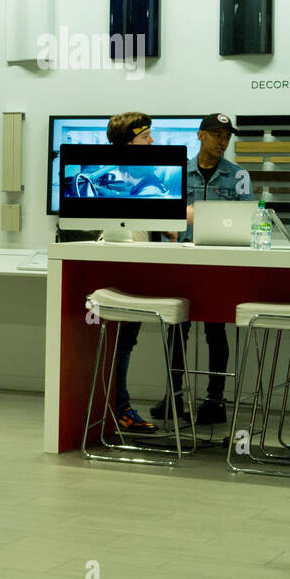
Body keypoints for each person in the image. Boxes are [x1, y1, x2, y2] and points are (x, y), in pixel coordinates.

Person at [150, 113, 254, 425]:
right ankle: (175, 396)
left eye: (227, 136)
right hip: (181, 260)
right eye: (217, 135)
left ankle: (214, 399)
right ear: (200, 135)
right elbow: (161, 211)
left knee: (216, 329)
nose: (223, 141)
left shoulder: (239, 176)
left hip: (220, 263)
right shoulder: (177, 172)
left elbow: (248, 221)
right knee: (176, 328)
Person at [102, 112, 180, 435]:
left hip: (126, 263)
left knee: (122, 341)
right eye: (146, 136)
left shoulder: (117, 174)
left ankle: (115, 408)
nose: (152, 141)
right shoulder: (138, 177)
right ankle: (119, 409)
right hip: (124, 267)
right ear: (130, 142)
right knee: (122, 340)